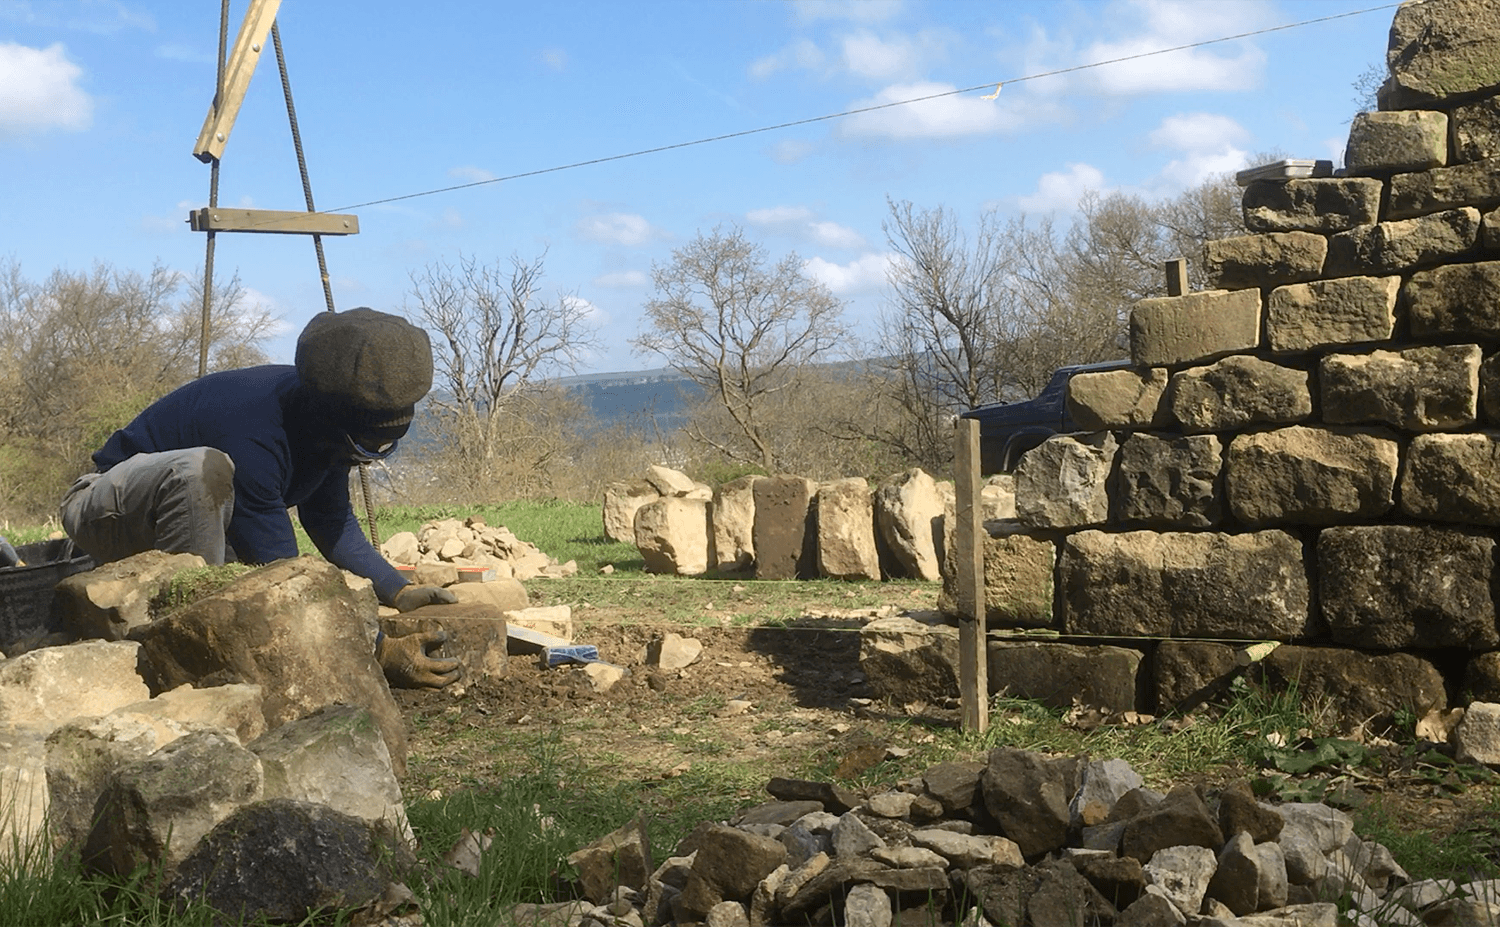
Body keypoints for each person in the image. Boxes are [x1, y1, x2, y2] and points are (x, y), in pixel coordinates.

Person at [59, 307, 461, 688]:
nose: (363, 460)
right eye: (362, 448)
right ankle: (183, 650)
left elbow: (332, 521)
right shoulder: (253, 431)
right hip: (105, 506)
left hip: (186, 526)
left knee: (217, 519)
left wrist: (396, 589)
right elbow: (284, 574)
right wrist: (378, 650)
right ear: (330, 417)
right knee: (203, 470)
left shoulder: (323, 425)